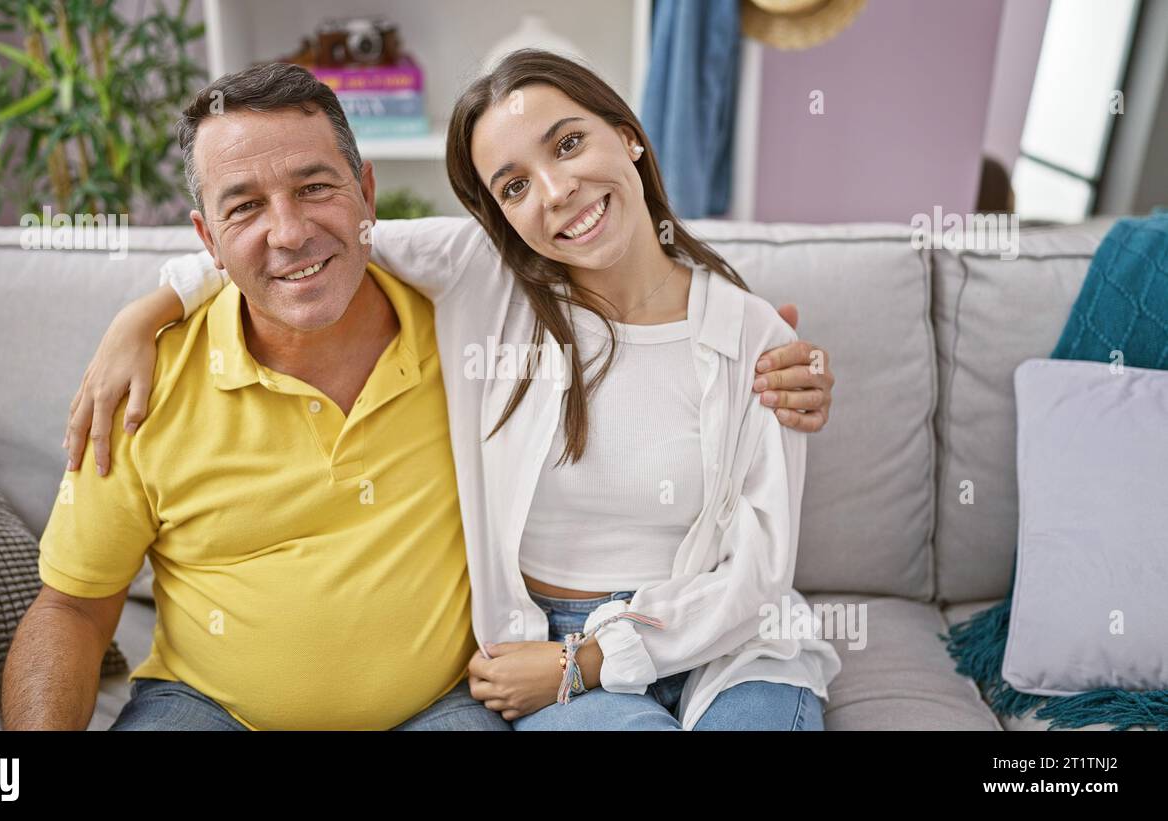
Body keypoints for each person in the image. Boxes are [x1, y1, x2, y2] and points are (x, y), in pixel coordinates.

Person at [65, 50, 840, 730]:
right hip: (546, 644)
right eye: (513, 185)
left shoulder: (755, 337)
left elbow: (759, 571)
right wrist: (145, 314)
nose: (558, 190)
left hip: (729, 637)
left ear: (629, 133)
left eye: (569, 143)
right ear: (498, 215)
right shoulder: (484, 276)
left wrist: (597, 658)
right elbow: (293, 247)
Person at [2, 61, 508, 730]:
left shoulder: (466, 329)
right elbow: (71, 607)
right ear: (208, 239)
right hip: (205, 708)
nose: (289, 231)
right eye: (244, 207)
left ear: (366, 192)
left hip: (437, 707)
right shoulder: (140, 382)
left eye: (314, 186)